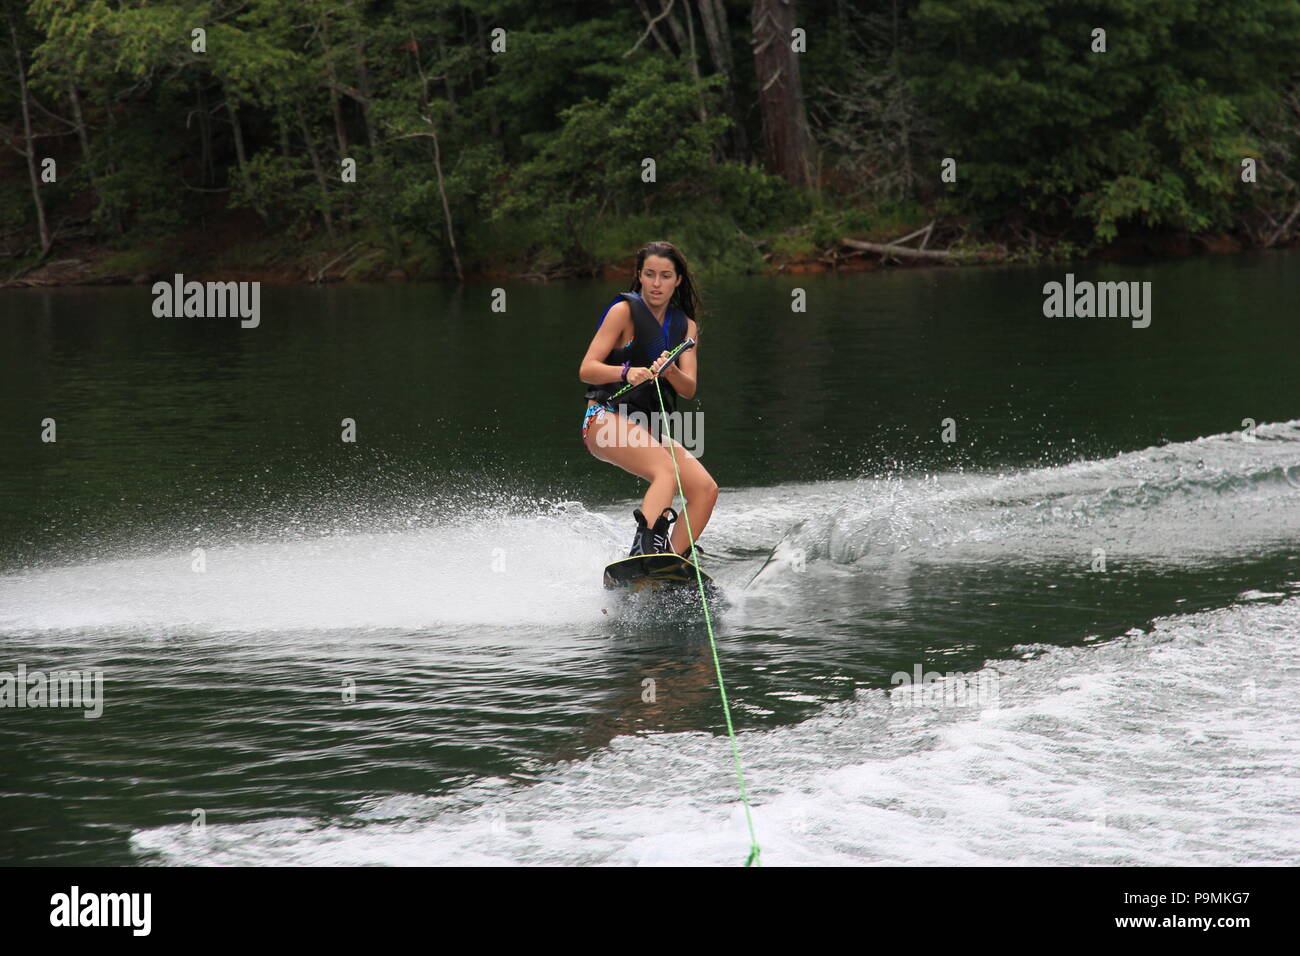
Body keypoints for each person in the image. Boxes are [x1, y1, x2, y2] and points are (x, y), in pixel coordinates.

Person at [579, 241, 719, 561]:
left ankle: (671, 561)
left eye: (665, 276)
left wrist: (669, 371)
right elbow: (587, 369)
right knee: (665, 472)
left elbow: (689, 388)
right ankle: (643, 555)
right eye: (650, 275)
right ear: (640, 276)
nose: (657, 284)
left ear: (678, 280)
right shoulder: (623, 312)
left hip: (647, 428)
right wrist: (625, 372)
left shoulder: (687, 327)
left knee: (704, 490)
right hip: (603, 419)